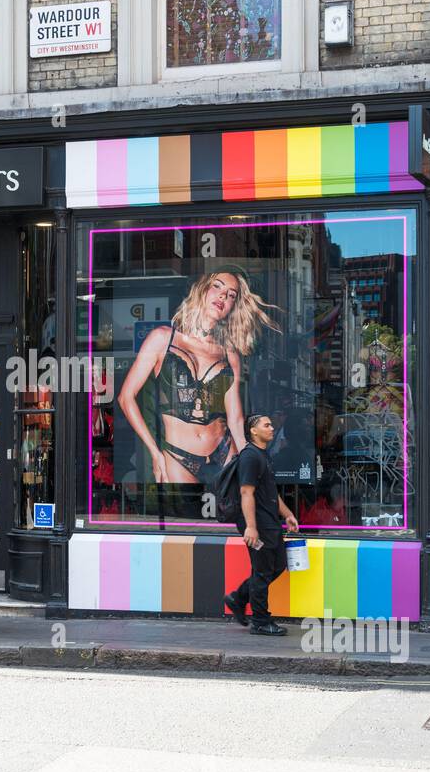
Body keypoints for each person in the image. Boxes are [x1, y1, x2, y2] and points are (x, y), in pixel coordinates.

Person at [117, 266, 277, 485]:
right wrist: (155, 452)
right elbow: (126, 398)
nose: (223, 295)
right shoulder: (162, 339)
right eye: (217, 287)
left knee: (229, 517)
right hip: (178, 455)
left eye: (231, 295)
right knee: (186, 518)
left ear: (232, 307)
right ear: (202, 290)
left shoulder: (230, 353)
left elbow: (236, 420)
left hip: (225, 452)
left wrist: (252, 467)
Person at [225, 413, 299, 636]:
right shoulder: (250, 456)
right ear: (253, 431)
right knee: (263, 570)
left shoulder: (263, 455)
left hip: (270, 522)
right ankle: (260, 620)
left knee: (277, 566)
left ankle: (238, 598)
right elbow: (246, 492)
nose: (272, 428)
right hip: (258, 524)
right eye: (266, 425)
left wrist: (287, 514)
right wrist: (251, 527)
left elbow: (270, 492)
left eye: (271, 424)